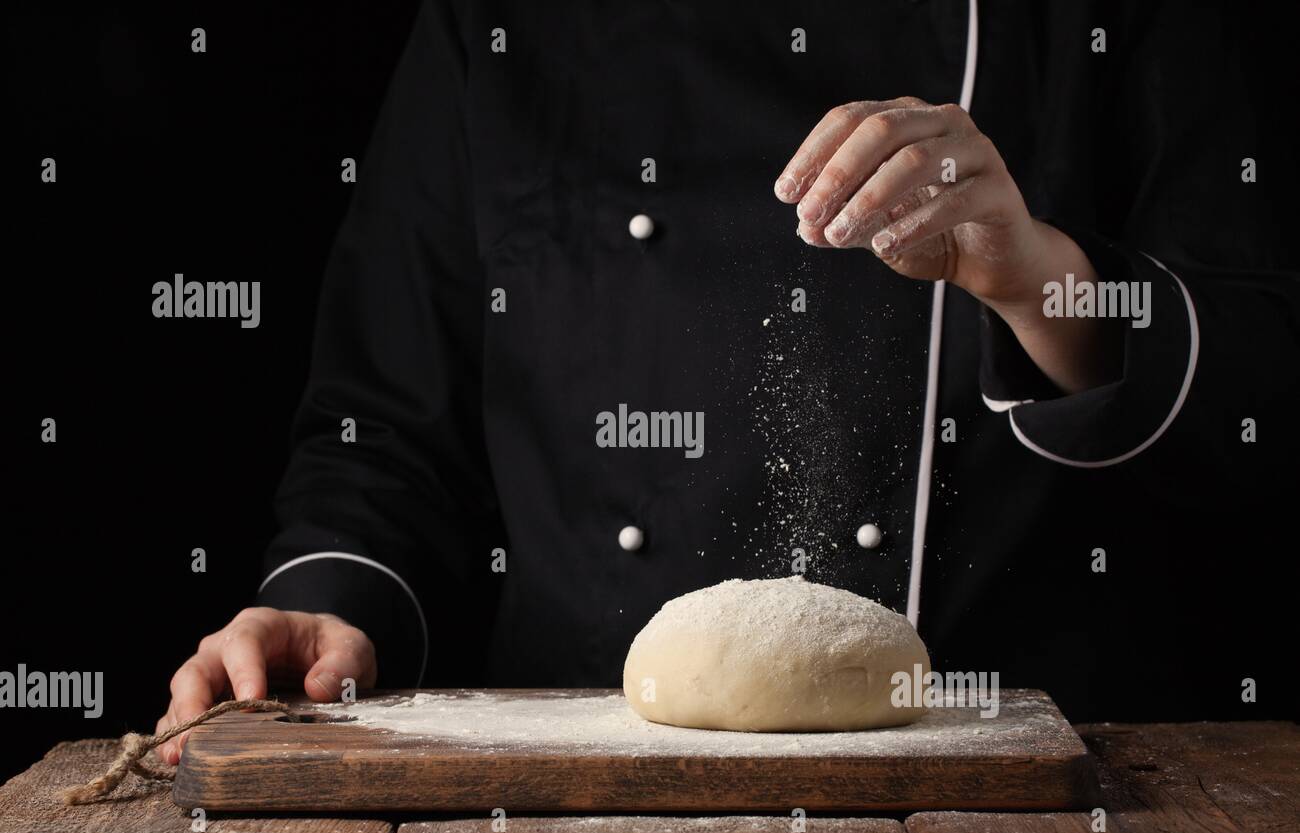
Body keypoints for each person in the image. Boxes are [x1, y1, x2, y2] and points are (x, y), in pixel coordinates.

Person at [156, 0, 1297, 762]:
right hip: (574, 799)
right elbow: (385, 430)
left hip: (1025, 789)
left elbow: (1264, 403)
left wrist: (1040, 277)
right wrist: (331, 607)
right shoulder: (497, 26)